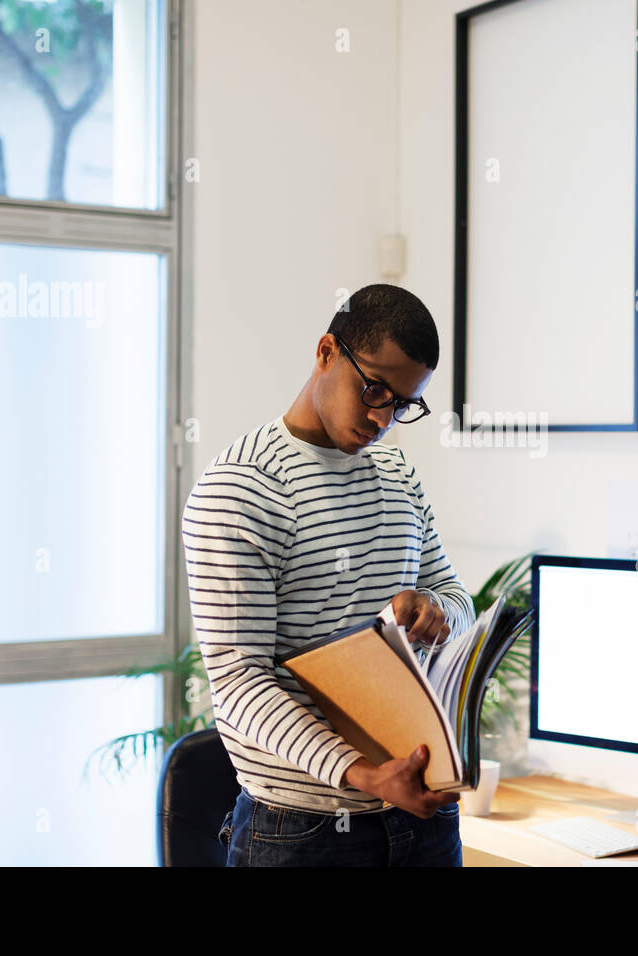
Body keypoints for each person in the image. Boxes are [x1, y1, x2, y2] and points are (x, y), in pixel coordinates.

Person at [181, 284, 475, 866]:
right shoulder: (240, 491)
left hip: (424, 820)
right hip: (302, 833)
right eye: (373, 390)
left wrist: (439, 613)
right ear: (324, 352)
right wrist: (365, 774)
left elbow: (455, 597)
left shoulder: (397, 475)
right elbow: (240, 686)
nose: (381, 417)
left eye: (403, 404)